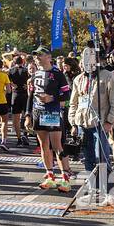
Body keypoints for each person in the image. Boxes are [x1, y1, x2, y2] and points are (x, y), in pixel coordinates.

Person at [68, 47, 114, 199]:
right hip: (83, 124)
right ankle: (93, 190)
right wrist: (73, 122)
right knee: (88, 158)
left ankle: (109, 192)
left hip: (99, 124)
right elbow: (74, 103)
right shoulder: (78, 79)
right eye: (83, 59)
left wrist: (109, 122)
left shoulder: (106, 76)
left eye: (88, 58)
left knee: (102, 158)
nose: (84, 62)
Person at [31, 47, 72, 191]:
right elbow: (31, 95)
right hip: (37, 112)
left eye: (40, 55)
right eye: (36, 56)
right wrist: (27, 115)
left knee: (56, 146)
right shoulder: (35, 74)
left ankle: (65, 178)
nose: (37, 58)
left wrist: (52, 98)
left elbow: (67, 95)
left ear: (49, 57)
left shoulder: (57, 74)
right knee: (43, 146)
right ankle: (50, 176)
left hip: (52, 113)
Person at [7, 54, 30, 146]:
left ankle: (19, 138)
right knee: (25, 116)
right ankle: (25, 134)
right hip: (25, 94)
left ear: (14, 62)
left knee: (15, 119)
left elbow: (7, 82)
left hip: (15, 95)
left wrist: (12, 85)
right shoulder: (26, 70)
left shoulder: (11, 71)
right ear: (22, 62)